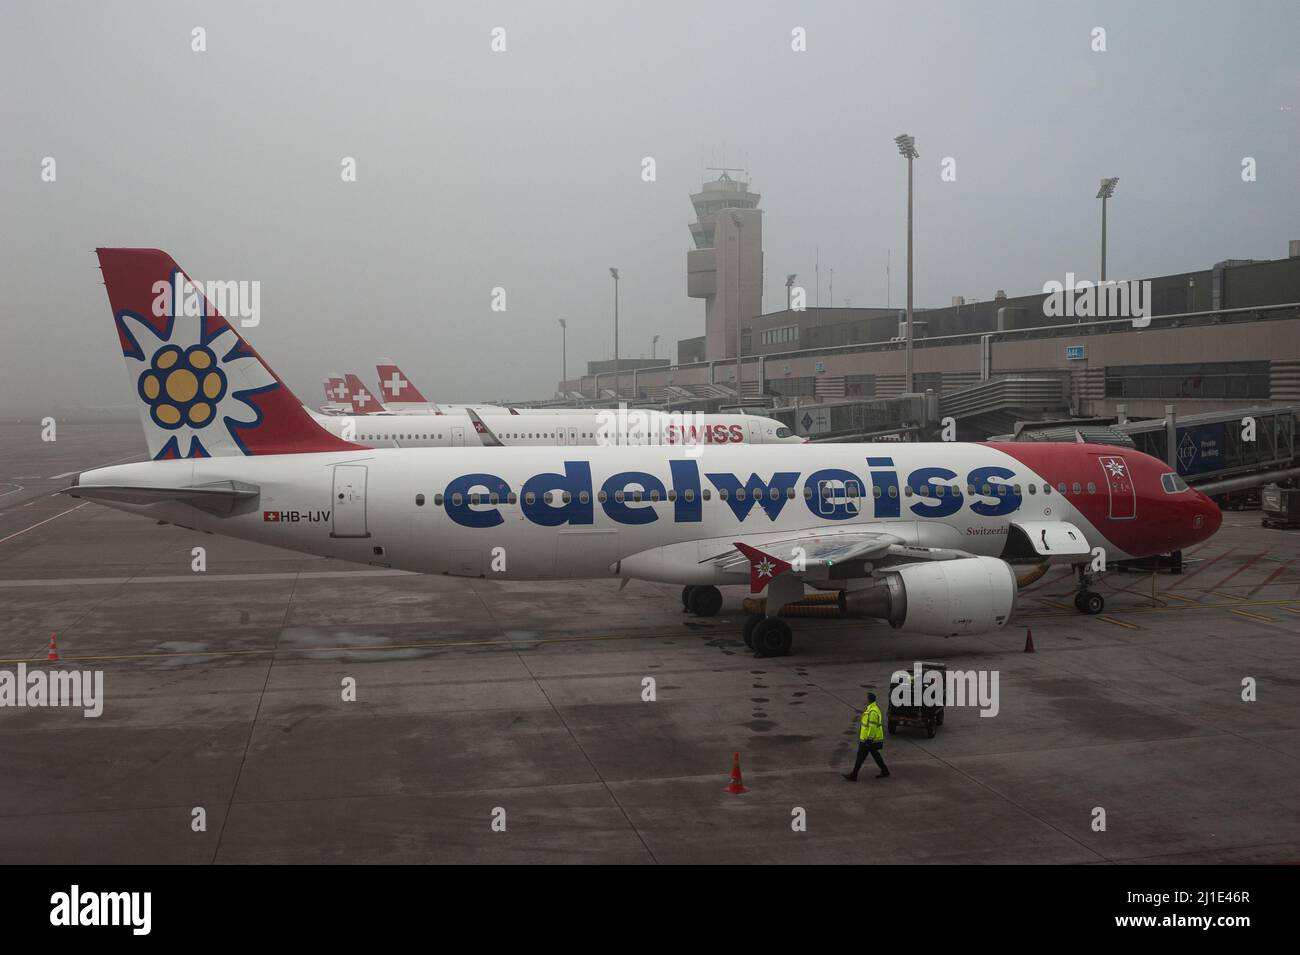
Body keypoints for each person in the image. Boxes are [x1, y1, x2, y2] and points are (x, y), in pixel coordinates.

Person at [842, 692, 889, 780]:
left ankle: (853, 775)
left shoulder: (872, 712)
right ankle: (885, 771)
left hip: (869, 740)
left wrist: (869, 740)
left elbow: (872, 727)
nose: (864, 699)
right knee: (875, 755)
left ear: (869, 700)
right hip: (868, 739)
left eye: (865, 698)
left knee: (860, 757)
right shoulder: (870, 709)